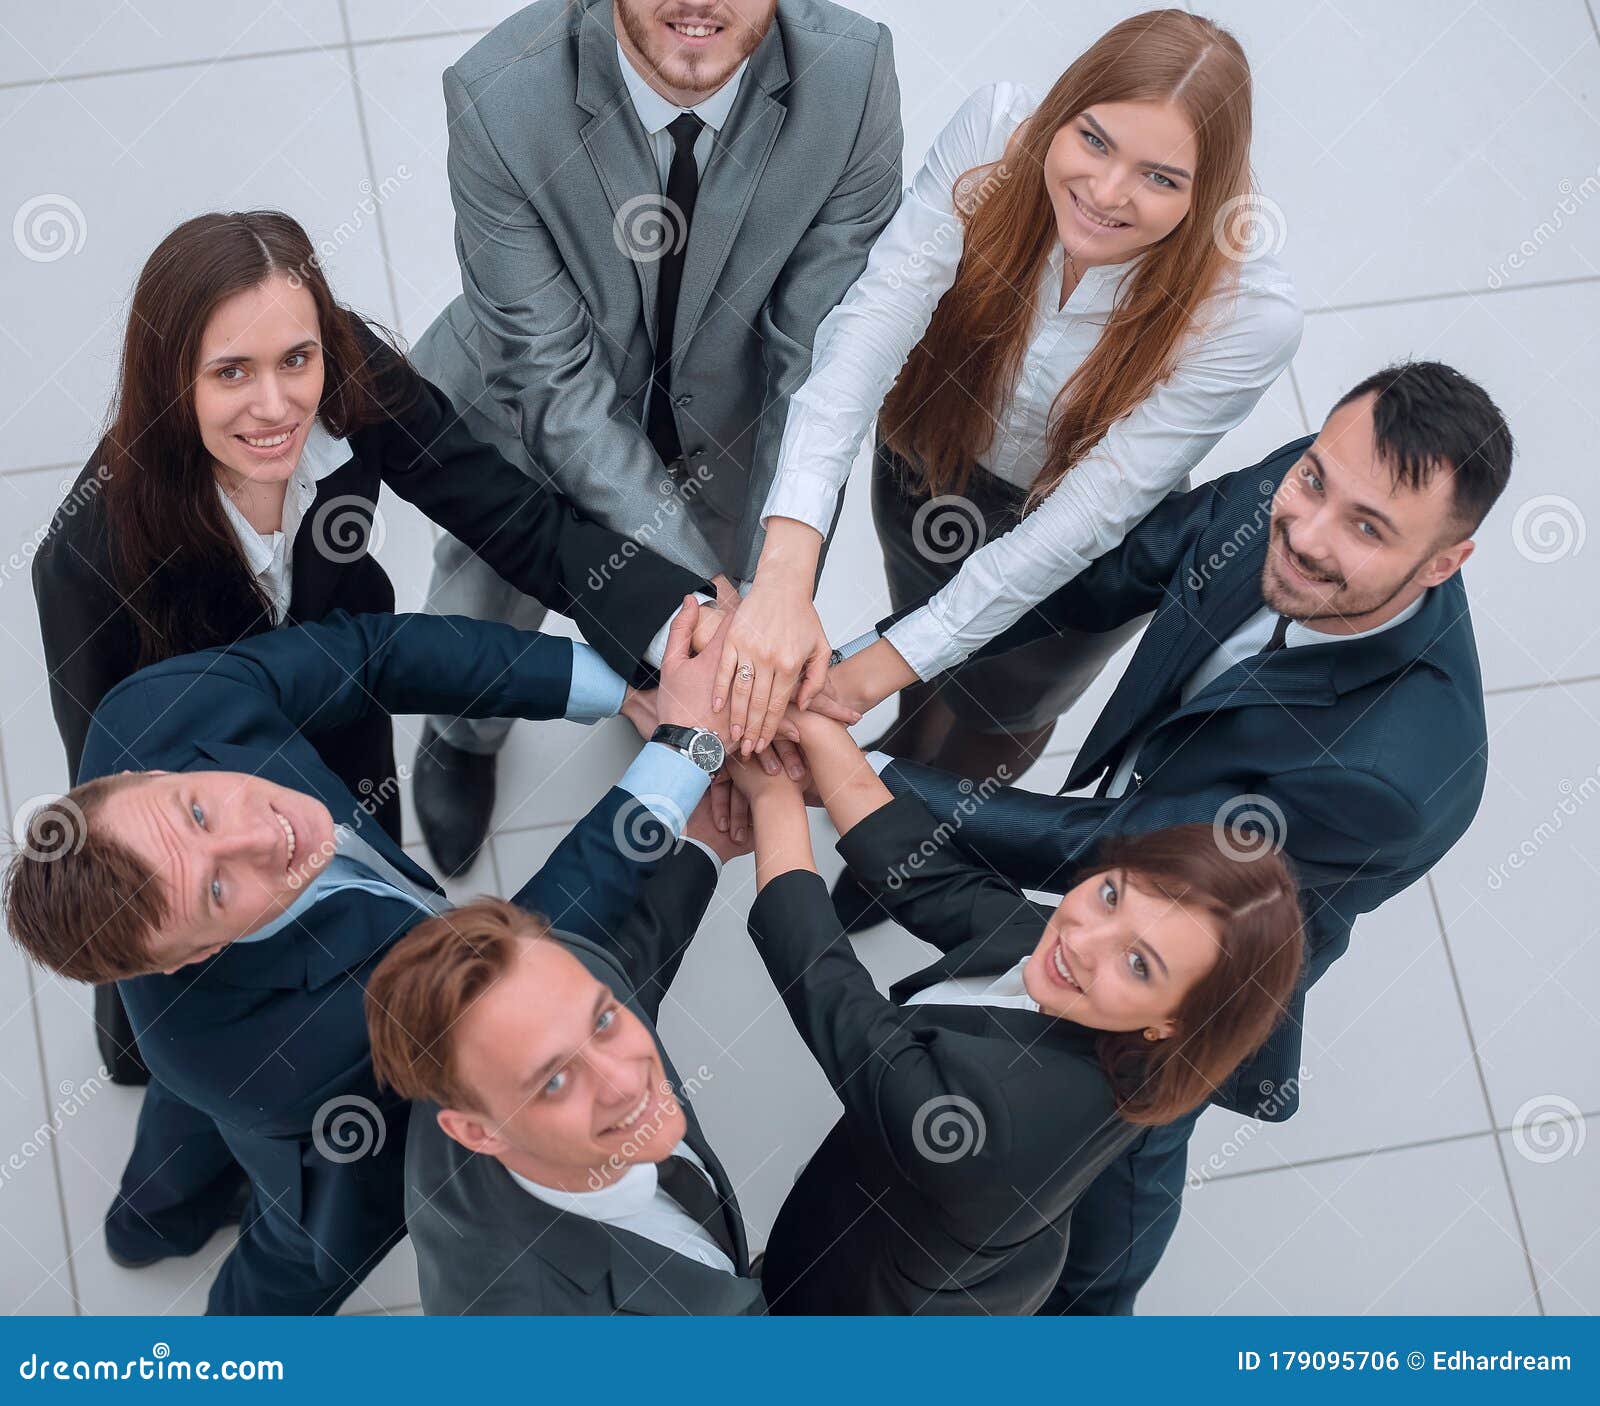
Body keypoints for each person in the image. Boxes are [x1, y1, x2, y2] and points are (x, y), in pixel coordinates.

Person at [30, 208, 721, 1272]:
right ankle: (158, 1187)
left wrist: (670, 643)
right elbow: (112, 785)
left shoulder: (341, 370)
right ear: (172, 379)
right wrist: (148, 962)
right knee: (193, 1060)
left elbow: (509, 518)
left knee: (359, 891)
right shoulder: (85, 557)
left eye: (294, 358)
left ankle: (161, 1175)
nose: (278, 407)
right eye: (231, 375)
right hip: (187, 850)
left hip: (333, 730)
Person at [830, 360, 1514, 1311]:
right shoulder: (1300, 480)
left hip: (1204, 953)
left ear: (1443, 563)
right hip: (1130, 842)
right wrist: (873, 662)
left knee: (1127, 1132)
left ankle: (1093, 1320)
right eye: (1316, 480)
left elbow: (1113, 843)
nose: (1308, 531)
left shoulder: (1391, 776)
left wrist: (858, 774)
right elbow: (1098, 580)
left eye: (1368, 529)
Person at [3, 602, 732, 1314]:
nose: (263, 835)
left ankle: (151, 1219)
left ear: (145, 777)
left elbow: (374, 654)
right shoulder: (289, 1054)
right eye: (218, 888)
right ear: (192, 955)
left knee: (181, 1117)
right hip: (306, 1108)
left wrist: (628, 693)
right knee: (298, 1255)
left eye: (198, 811)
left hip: (201, 1046)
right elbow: (513, 963)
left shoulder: (152, 711)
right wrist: (683, 754)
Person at [723, 8, 1302, 783]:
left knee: (1004, 712)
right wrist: (786, 573)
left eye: (1160, 178)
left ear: (1209, 192)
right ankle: (902, 752)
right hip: (931, 458)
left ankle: (921, 838)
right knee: (921, 652)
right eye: (1093, 139)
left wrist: (857, 676)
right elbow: (869, 330)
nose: (1105, 193)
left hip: (1084, 539)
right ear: (1062, 110)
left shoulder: (1248, 314)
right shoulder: (998, 134)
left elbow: (1085, 519)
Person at [410, 0, 904, 878]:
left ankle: (659, 673)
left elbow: (814, 365)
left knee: (705, 612)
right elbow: (554, 385)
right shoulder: (496, 93)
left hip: (731, 431)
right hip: (527, 411)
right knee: (482, 608)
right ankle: (463, 733)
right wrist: (719, 618)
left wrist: (760, 601)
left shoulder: (854, 76)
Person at [723, 709, 1302, 1314]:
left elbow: (830, 992)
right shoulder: (1112, 1018)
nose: (1082, 940)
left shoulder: (997, 1122)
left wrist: (772, 798)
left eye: (1138, 965)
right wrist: (810, 729)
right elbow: (933, 877)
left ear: (1173, 1023)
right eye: (1111, 895)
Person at [369, 857, 765, 1315]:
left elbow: (630, 965)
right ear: (480, 1133)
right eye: (554, 1081)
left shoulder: (567, 979)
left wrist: (707, 846)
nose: (624, 1081)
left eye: (602, 1021)